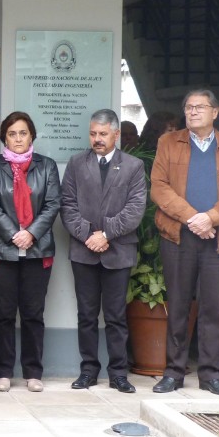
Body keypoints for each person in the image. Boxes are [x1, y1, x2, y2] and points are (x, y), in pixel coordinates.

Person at [150, 89, 219, 396]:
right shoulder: (168, 142)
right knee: (179, 304)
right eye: (189, 107)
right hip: (179, 235)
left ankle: (210, 374)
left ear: (215, 112)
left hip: (217, 238)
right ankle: (174, 371)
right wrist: (194, 217)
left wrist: (212, 217)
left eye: (200, 107)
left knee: (212, 307)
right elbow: (159, 187)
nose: (193, 112)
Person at [61, 109, 146, 393]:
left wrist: (106, 234)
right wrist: (89, 235)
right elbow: (67, 205)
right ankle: (88, 370)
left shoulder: (133, 166)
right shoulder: (76, 163)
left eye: (103, 134)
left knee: (115, 316)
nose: (97, 139)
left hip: (118, 251)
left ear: (116, 134)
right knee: (86, 314)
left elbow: (135, 209)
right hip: (84, 251)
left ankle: (118, 373)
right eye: (93, 134)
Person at [0, 111, 61, 393]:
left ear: (32, 136)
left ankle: (32, 372)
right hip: (1, 250)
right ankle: (2, 372)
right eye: (12, 134)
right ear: (4, 137)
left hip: (37, 250)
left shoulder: (47, 166)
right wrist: (15, 235)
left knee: (32, 314)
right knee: (3, 314)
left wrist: (31, 233)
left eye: (23, 133)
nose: (18, 139)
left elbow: (53, 204)